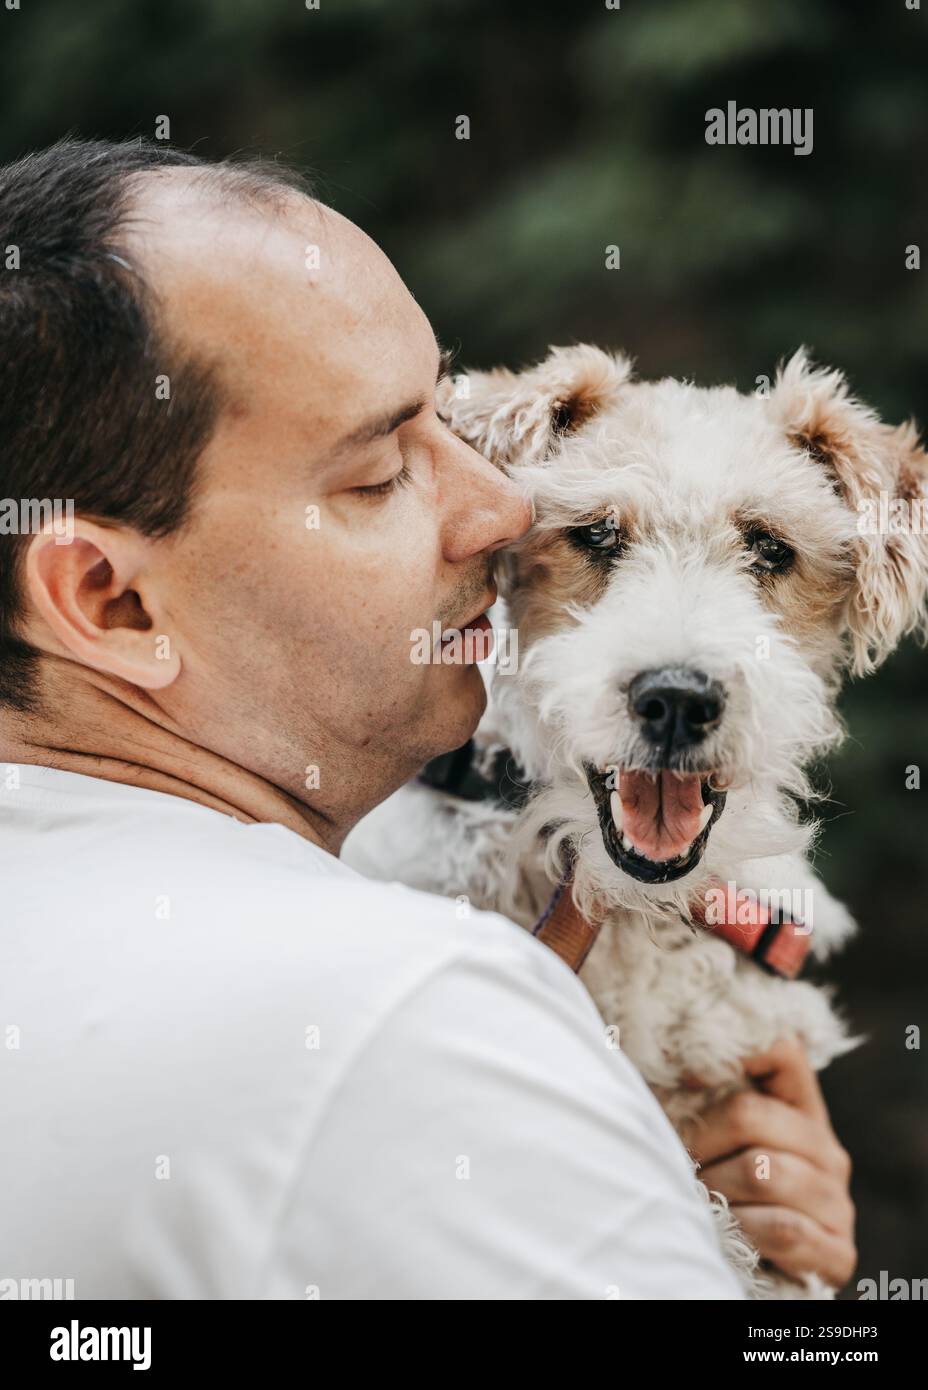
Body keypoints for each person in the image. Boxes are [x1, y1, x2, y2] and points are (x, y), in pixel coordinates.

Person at [0, 139, 854, 1300]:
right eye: (377, 472)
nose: (507, 507)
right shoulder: (414, 1014)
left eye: (445, 422)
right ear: (109, 597)